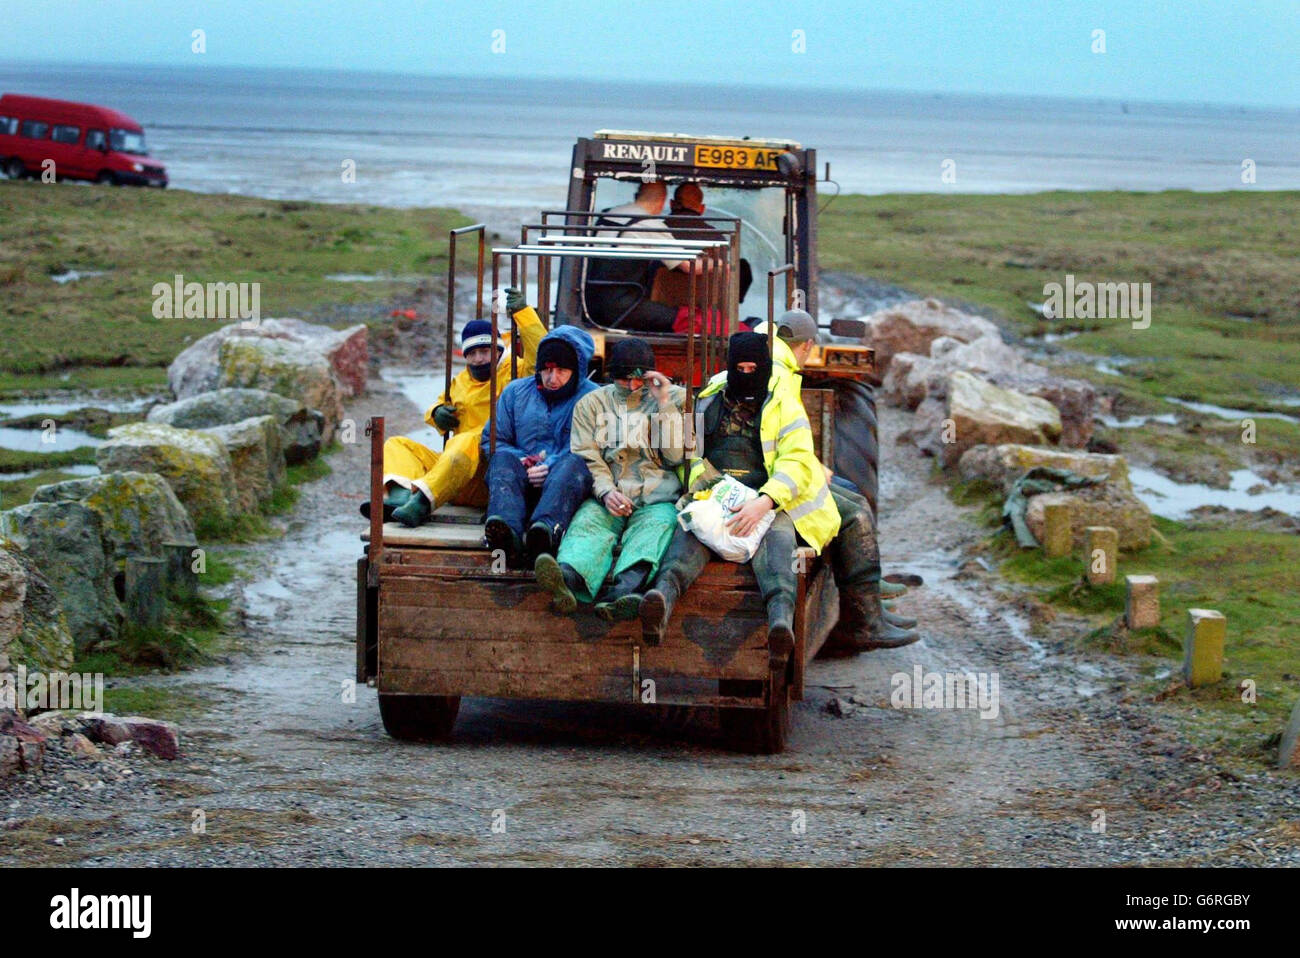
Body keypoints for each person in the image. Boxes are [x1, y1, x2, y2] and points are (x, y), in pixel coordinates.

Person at [639, 331, 841, 649]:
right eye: (740, 369)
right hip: (717, 491)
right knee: (691, 529)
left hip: (769, 499)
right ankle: (661, 600)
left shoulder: (784, 404)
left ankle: (780, 623)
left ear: (763, 367)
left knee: (778, 541)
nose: (746, 376)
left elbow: (798, 462)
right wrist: (706, 487)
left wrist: (764, 502)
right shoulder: (709, 399)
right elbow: (690, 453)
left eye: (752, 369)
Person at [763, 308, 920, 651]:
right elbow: (771, 441)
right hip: (773, 485)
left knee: (849, 493)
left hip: (779, 475)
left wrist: (812, 464)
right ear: (805, 346)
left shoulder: (773, 363)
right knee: (855, 514)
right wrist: (811, 467)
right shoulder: (779, 375)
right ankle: (862, 623)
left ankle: (869, 604)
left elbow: (781, 437)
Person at [534, 338, 687, 621]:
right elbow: (587, 456)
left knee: (653, 533)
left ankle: (625, 591)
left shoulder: (677, 398)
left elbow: (677, 456)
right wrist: (605, 493)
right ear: (611, 376)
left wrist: (663, 403)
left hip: (658, 496)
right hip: (609, 492)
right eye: (622, 379)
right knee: (588, 524)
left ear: (651, 375)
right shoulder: (591, 404)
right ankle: (568, 578)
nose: (630, 386)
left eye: (638, 379)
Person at [372, 288, 545, 526]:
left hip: (490, 477)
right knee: (396, 445)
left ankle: (422, 503)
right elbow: (439, 403)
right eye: (472, 353)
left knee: (468, 439)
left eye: (484, 351)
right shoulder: (461, 381)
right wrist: (436, 413)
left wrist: (524, 314)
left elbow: (541, 355)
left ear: (498, 350)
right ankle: (399, 498)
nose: (478, 359)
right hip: (455, 474)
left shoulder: (517, 373)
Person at [482, 324, 599, 566]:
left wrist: (550, 466)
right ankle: (506, 533)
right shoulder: (515, 392)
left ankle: (545, 532)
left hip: (566, 490)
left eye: (561, 370)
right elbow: (492, 440)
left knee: (575, 464)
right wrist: (524, 462)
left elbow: (594, 447)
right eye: (547, 370)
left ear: (576, 370)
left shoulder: (594, 397)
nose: (552, 378)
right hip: (520, 485)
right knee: (501, 460)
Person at [585, 181, 717, 333]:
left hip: (591, 302)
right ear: (662, 202)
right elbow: (689, 266)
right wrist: (717, 263)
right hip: (622, 307)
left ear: (637, 196)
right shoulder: (648, 223)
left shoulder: (607, 214)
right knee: (689, 318)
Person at [663, 182, 753, 302]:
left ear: (671, 204)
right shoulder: (719, 240)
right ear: (702, 208)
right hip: (707, 307)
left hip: (661, 304)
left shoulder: (657, 232)